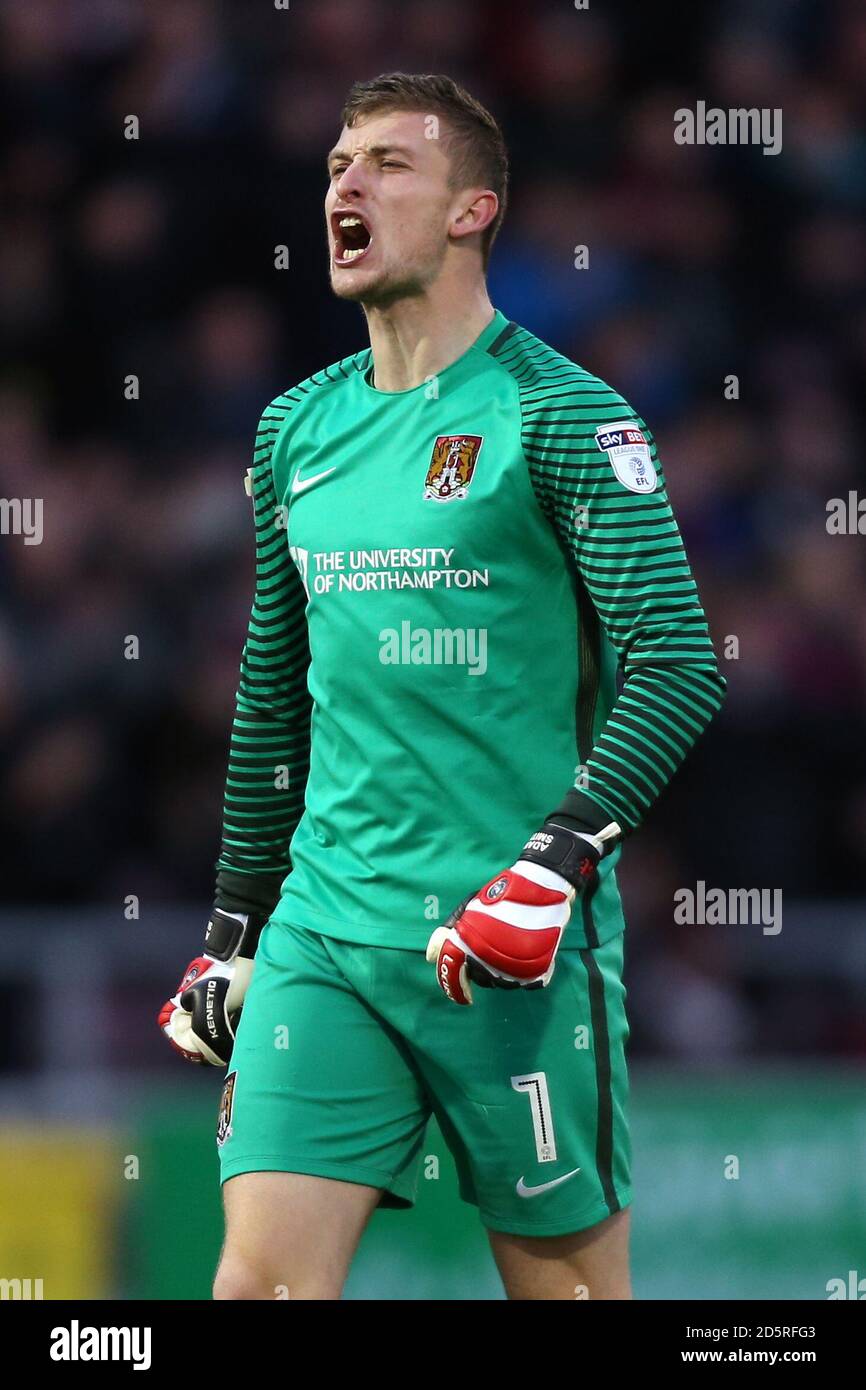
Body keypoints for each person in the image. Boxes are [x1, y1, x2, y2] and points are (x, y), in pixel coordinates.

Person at [159, 72, 726, 1301]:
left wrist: (550, 866)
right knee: (256, 1288)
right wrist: (233, 930)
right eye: (333, 164)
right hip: (327, 932)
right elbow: (273, 690)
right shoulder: (292, 430)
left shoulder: (564, 413)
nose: (344, 185)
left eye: (384, 165)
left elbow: (677, 665)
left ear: (473, 208)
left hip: (504, 947)